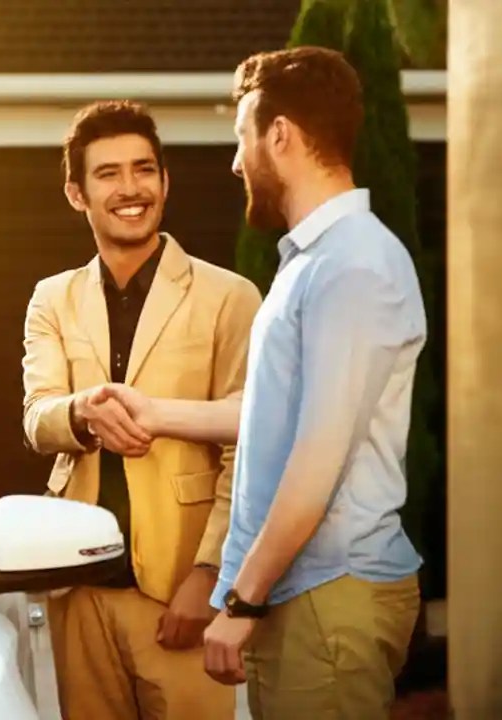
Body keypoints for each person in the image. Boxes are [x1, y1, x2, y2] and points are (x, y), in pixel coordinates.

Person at [98, 47, 428, 720]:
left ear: (280, 136)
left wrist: (241, 596)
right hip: (304, 595)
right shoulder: (315, 263)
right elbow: (274, 417)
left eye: (242, 137)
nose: (235, 161)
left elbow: (318, 456)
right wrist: (154, 412)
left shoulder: (354, 266)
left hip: (327, 596)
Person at [20, 99, 261, 720]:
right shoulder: (52, 298)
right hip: (81, 587)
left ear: (165, 181)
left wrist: (210, 574)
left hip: (180, 589)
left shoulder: (230, 296)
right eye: (108, 174)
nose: (131, 189)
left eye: (144, 169)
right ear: (77, 193)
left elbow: (249, 443)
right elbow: (38, 417)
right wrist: (83, 411)